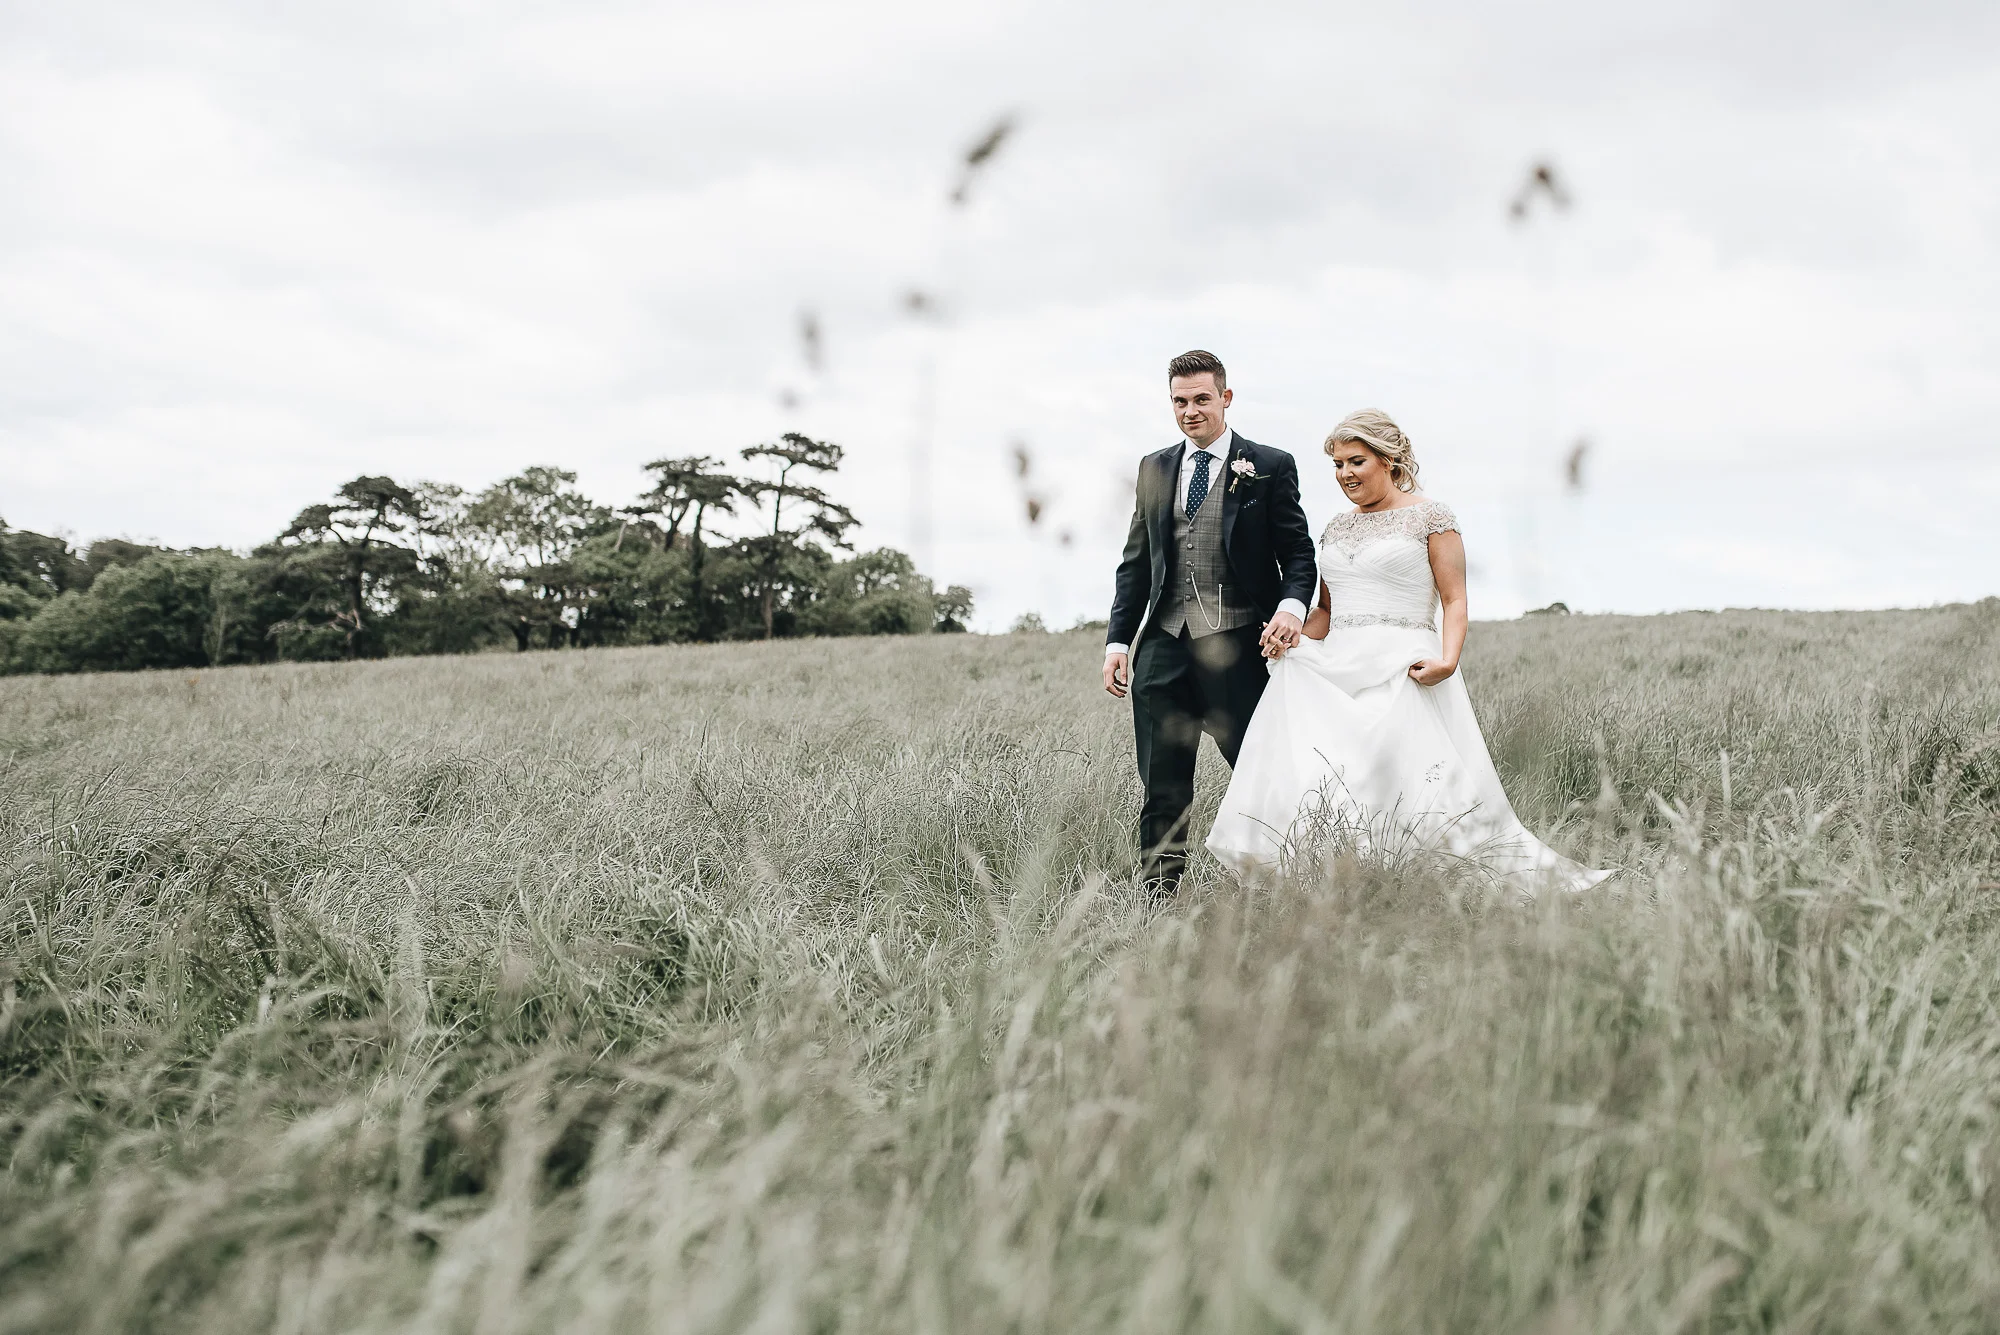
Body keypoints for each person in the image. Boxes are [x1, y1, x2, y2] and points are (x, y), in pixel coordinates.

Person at [1206, 409, 1610, 892]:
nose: (1345, 475)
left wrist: (1448, 657)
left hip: (1404, 663)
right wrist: (1291, 633)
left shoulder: (1432, 517)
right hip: (1338, 665)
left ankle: (1429, 882)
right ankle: (1349, 883)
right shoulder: (1335, 527)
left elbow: (1456, 598)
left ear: (1390, 460)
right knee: (1333, 776)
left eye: (1356, 461)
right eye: (1337, 465)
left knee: (1411, 781)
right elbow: (1327, 613)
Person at [1104, 351, 1318, 893]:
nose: (1190, 411)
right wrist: (1117, 642)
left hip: (1242, 648)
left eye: (1202, 399)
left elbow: (1297, 554)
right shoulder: (1154, 467)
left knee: (1259, 777)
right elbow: (1135, 562)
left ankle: (1284, 886)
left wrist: (1291, 611)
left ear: (1225, 397)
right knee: (1162, 785)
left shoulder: (1269, 464)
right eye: (1179, 401)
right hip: (1163, 648)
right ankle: (1158, 899)